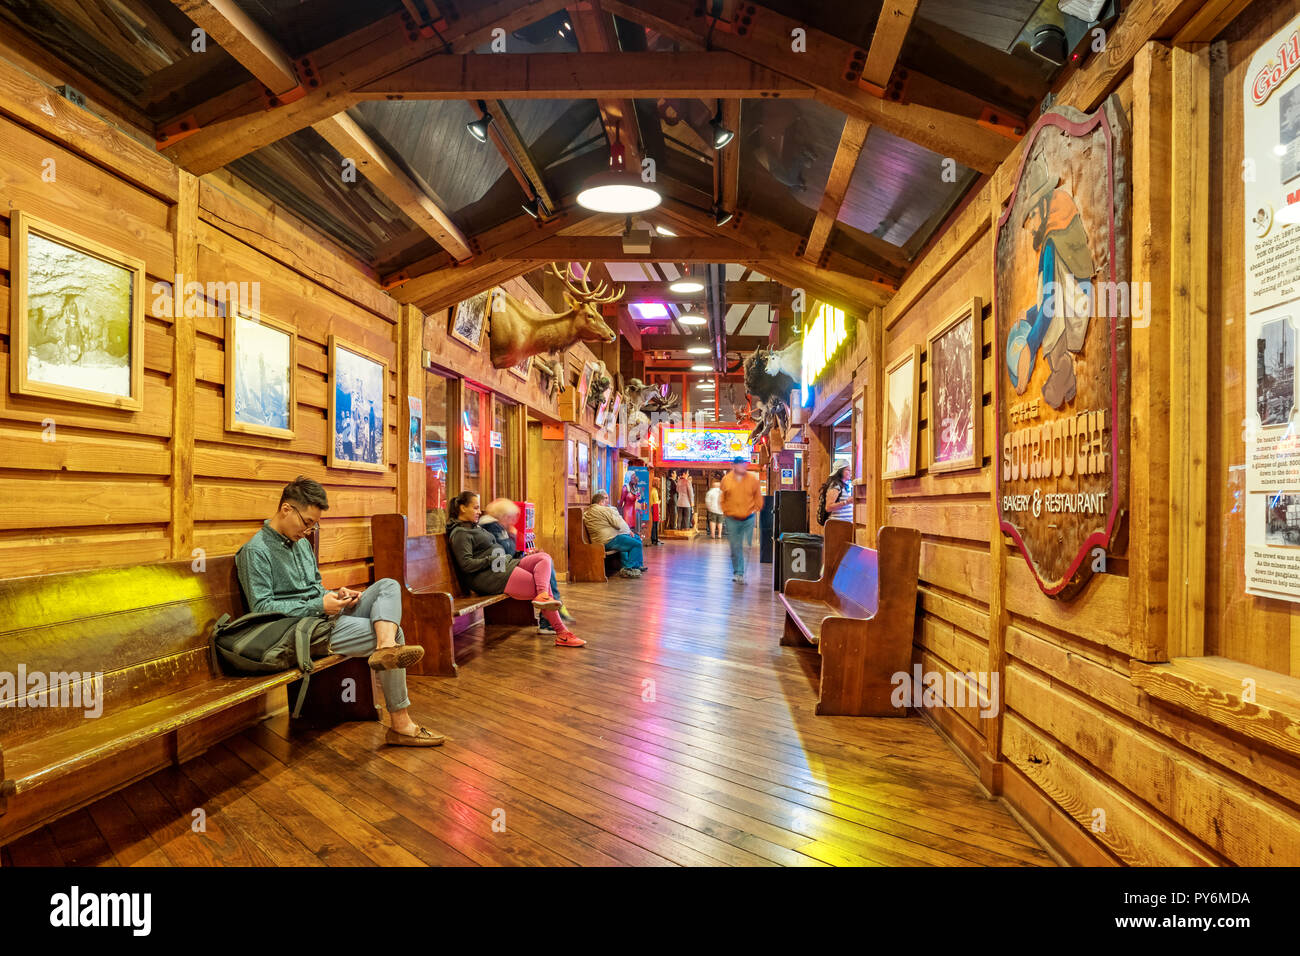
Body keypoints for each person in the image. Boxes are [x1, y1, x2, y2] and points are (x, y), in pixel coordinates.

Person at [235, 476, 443, 747]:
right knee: (396, 632)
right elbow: (261, 609)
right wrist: (318, 605)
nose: (309, 530)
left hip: (323, 618)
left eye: (314, 525)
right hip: (299, 632)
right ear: (286, 509)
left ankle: (385, 647)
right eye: (307, 522)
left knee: (387, 586)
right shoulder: (255, 551)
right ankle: (401, 724)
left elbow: (313, 588)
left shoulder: (300, 544)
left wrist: (335, 595)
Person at [448, 491, 584, 647]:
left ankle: (543, 599)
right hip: (489, 576)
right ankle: (562, 632)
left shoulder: (475, 527)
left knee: (544, 558)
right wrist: (492, 559)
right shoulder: (460, 533)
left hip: (502, 565)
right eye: (476, 507)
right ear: (463, 508)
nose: (479, 511)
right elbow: (466, 565)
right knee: (541, 584)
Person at [479, 498, 574, 635]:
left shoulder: (497, 526)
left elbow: (507, 551)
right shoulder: (492, 527)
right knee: (542, 575)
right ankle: (549, 618)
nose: (514, 521)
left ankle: (550, 614)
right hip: (500, 570)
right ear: (503, 516)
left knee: (545, 562)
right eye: (512, 517)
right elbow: (504, 552)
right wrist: (512, 535)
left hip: (505, 565)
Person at [583, 491, 647, 577]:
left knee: (631, 541)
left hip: (599, 540)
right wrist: (613, 513)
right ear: (600, 502)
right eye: (604, 501)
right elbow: (617, 524)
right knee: (636, 544)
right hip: (609, 540)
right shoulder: (603, 509)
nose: (605, 503)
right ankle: (628, 569)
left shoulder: (588, 512)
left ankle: (636, 566)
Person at [720, 456, 763, 583]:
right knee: (735, 546)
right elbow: (722, 498)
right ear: (733, 466)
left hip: (748, 518)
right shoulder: (726, 479)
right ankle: (738, 572)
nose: (741, 466)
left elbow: (758, 497)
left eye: (743, 464)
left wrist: (755, 508)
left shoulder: (752, 479)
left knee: (746, 546)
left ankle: (741, 572)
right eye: (739, 464)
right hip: (731, 518)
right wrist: (726, 511)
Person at [649, 480, 661, 545]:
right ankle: (654, 539)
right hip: (655, 507)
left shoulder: (652, 490)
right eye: (658, 482)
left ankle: (654, 538)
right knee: (655, 524)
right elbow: (656, 502)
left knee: (654, 523)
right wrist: (660, 501)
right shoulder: (655, 491)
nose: (659, 484)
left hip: (653, 507)